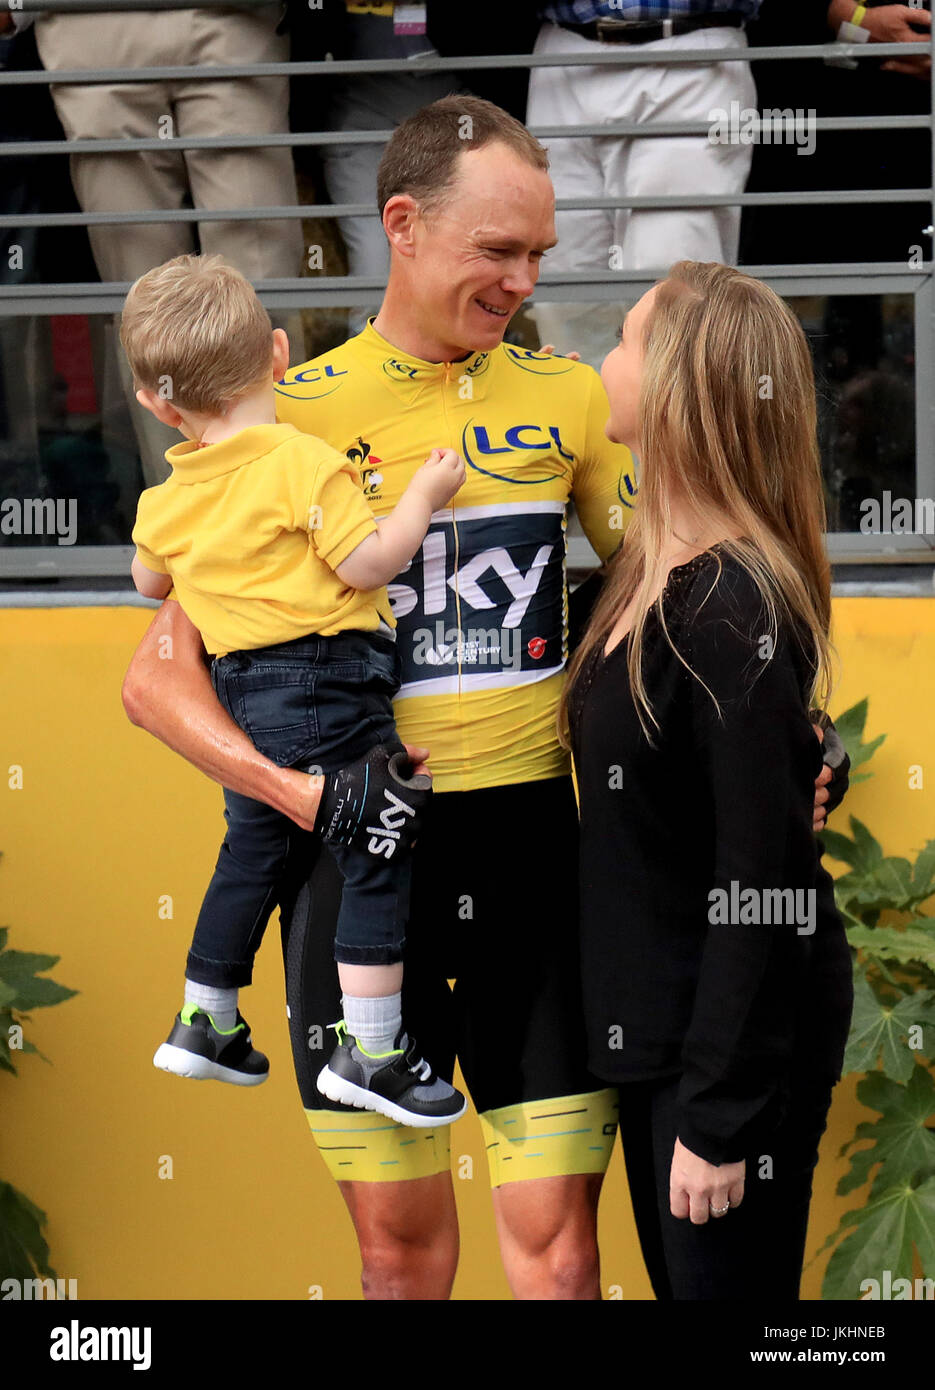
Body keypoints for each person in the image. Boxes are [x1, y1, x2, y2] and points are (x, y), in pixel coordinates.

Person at [122, 96, 845, 1300]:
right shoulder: (281, 414)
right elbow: (158, 678)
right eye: (496, 251)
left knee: (559, 1258)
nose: (522, 280)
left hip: (535, 867)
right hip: (356, 872)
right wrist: (297, 794)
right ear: (401, 225)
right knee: (400, 1257)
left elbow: (675, 585)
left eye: (539, 256)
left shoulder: (573, 398)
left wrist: (790, 742)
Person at [562, 260, 854, 1299]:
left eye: (629, 338)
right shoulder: (637, 580)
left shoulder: (727, 608)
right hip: (659, 1034)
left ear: (679, 390)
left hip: (724, 1054)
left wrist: (717, 1118)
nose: (606, 356)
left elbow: (762, 883)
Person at [123, 251, 466, 1125]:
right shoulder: (300, 460)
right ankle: (373, 1047)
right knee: (379, 837)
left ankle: (206, 1014)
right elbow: (366, 564)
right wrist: (423, 495)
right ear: (278, 355)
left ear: (157, 406)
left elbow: (149, 585)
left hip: (242, 695)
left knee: (254, 848)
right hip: (328, 680)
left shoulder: (165, 501)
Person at [33, 2, 306, 486]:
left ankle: (292, 501)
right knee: (144, 305)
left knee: (262, 280)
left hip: (229, 15)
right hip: (90, 22)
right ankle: (184, 525)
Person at [527, 0, 762, 369]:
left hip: (690, 47)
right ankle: (586, 425)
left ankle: (672, 427)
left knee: (672, 293)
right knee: (565, 289)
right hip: (563, 49)